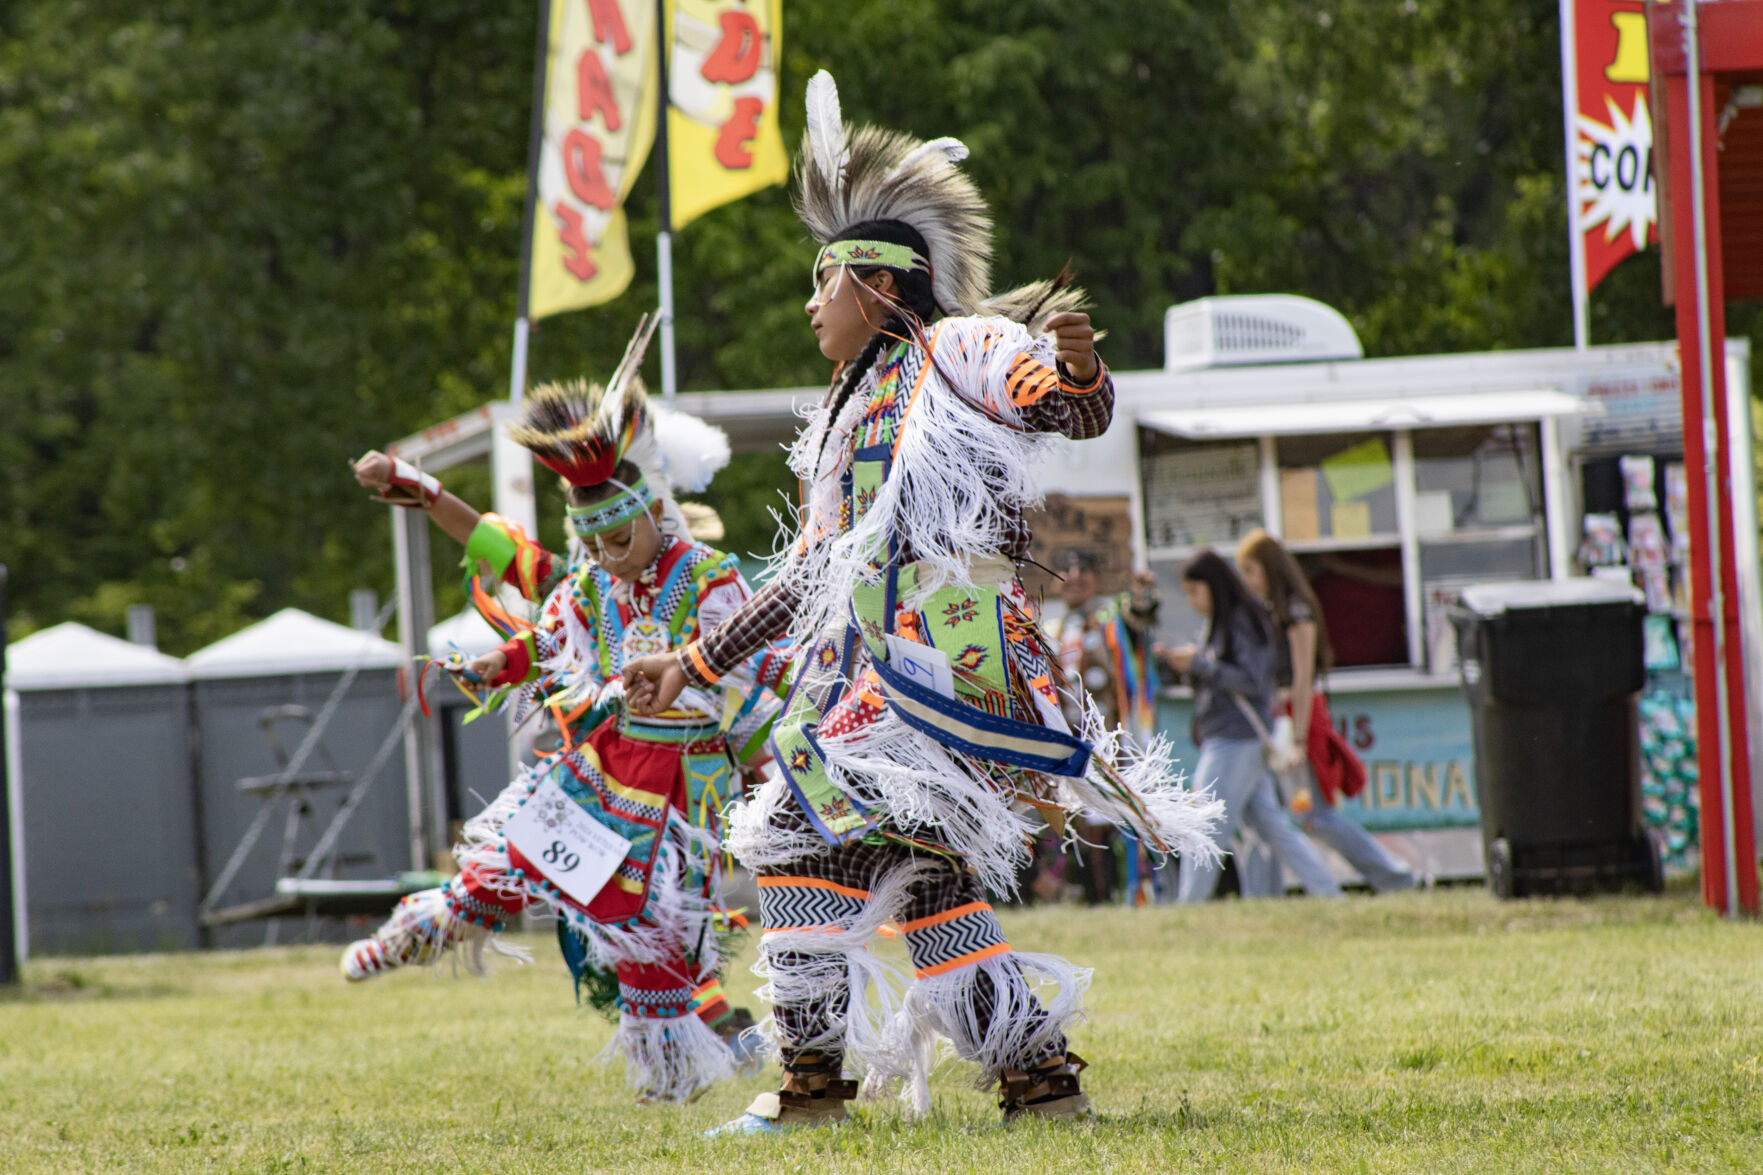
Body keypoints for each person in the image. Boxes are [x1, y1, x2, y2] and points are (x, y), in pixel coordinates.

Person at [623, 71, 1221, 1133]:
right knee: (920, 873)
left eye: (823, 283)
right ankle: (1037, 1079)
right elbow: (812, 572)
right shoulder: (844, 419)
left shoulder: (957, 347)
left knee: (803, 833)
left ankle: (812, 1091)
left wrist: (1079, 380)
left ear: (877, 284)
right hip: (884, 673)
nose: (809, 306)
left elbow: (1060, 405)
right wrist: (696, 664)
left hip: (940, 667)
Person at [338, 324, 788, 1104]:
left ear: (653, 508)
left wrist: (761, 767)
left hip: (683, 790)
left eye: (620, 538)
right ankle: (424, 925)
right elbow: (541, 639)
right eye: (594, 542)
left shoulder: (709, 578)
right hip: (602, 765)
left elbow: (751, 675)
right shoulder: (584, 584)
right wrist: (495, 660)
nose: (609, 556)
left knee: (657, 939)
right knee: (513, 853)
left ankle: (673, 1072)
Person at [1235, 530, 1418, 892]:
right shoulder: (1268, 611)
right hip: (1276, 717)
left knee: (1315, 816)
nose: (1247, 581)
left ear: (1270, 569)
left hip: (1299, 716)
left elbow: (1304, 678)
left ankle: (1396, 876)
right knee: (1267, 814)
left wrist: (1300, 739)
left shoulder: (1297, 610)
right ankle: (1265, 893)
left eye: (1251, 571)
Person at [1159, 551, 1341, 903]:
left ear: (1213, 587)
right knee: (1271, 827)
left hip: (1236, 738)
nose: (1193, 602)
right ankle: (1329, 893)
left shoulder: (1241, 618)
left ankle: (1188, 908)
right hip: (1229, 736)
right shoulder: (1221, 620)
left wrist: (1198, 663)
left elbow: (1254, 680)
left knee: (1203, 826)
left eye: (1196, 592)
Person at [1042, 553, 1161, 905]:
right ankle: (1092, 897)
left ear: (1096, 578)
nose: (1075, 575)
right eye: (1067, 568)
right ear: (1055, 580)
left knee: (1113, 817)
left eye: (1084, 568)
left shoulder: (1110, 620)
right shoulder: (1049, 629)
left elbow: (1139, 618)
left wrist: (1142, 597)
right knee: (1078, 821)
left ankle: (1128, 891)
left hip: (1110, 742)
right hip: (1067, 744)